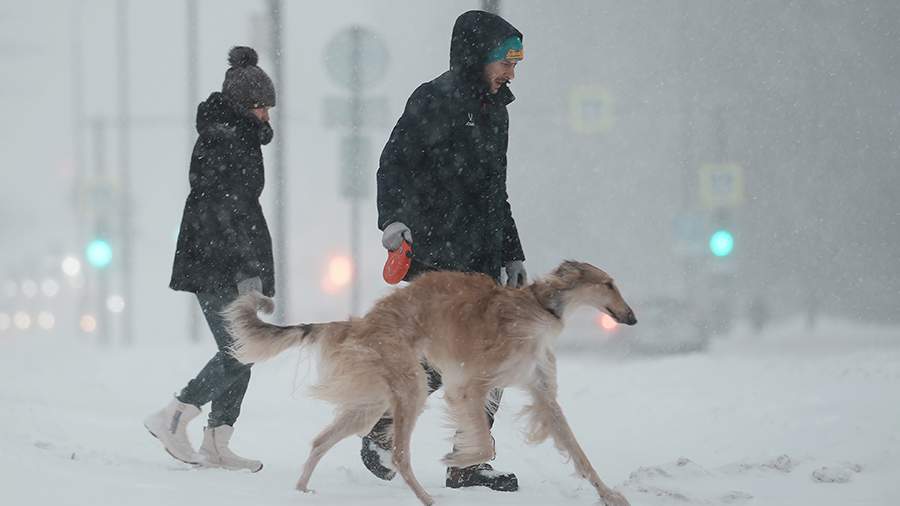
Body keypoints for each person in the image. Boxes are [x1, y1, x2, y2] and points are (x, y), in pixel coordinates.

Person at [363, 10, 527, 492]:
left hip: (484, 257)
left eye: (517, 63)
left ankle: (468, 461)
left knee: (495, 359)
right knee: (437, 361)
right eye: (506, 61)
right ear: (478, 55)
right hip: (436, 253)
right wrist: (395, 222)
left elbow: (496, 190)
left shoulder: (498, 109)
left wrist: (511, 251)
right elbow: (394, 164)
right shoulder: (433, 99)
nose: (512, 72)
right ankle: (383, 428)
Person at [144, 46, 276, 472]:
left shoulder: (230, 135)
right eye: (259, 107)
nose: (266, 117)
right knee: (240, 349)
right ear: (242, 106)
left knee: (245, 349)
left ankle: (218, 442)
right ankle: (175, 415)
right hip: (219, 262)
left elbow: (236, 207)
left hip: (220, 258)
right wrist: (247, 271)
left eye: (268, 107)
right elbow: (228, 209)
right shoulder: (226, 139)